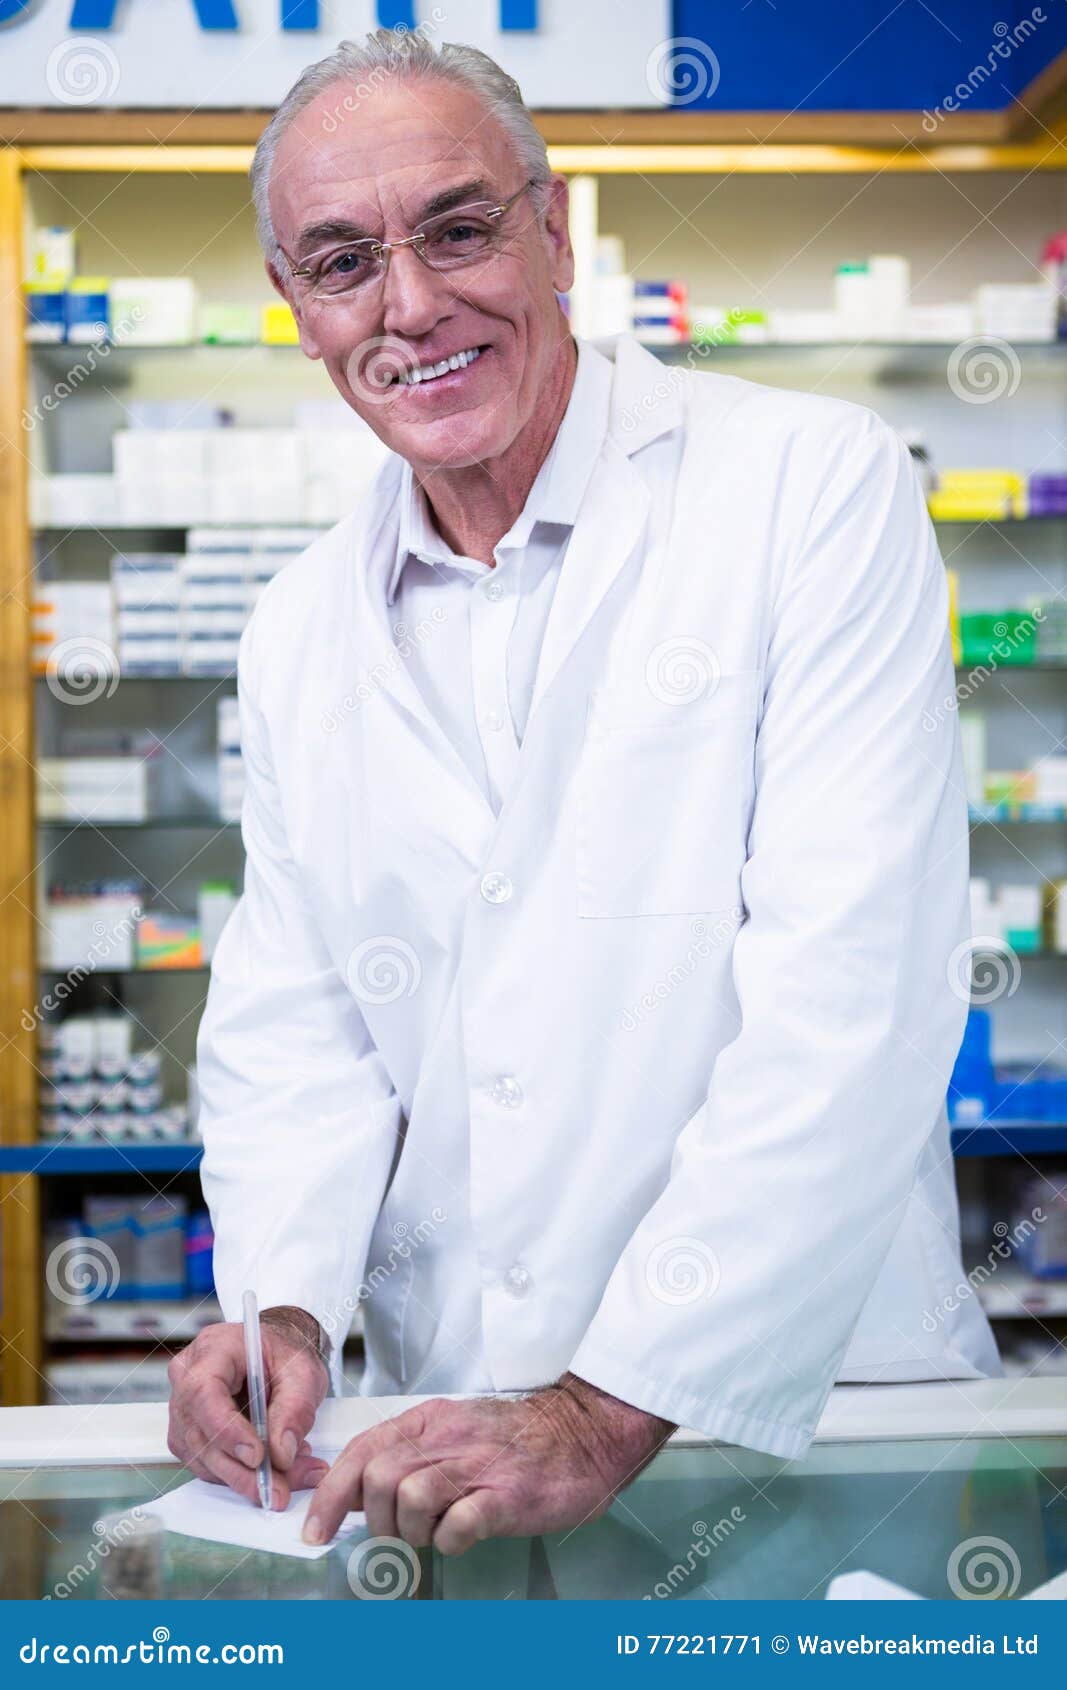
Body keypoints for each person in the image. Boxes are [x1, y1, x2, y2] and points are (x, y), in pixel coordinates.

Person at [167, 30, 999, 1557]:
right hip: (455, 1434)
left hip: (797, 1422)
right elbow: (303, 1018)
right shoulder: (297, 622)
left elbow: (855, 984)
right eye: (343, 263)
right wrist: (279, 1299)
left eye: (458, 229)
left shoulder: (810, 485)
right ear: (296, 308)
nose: (409, 306)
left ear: (555, 232)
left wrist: (612, 1399)